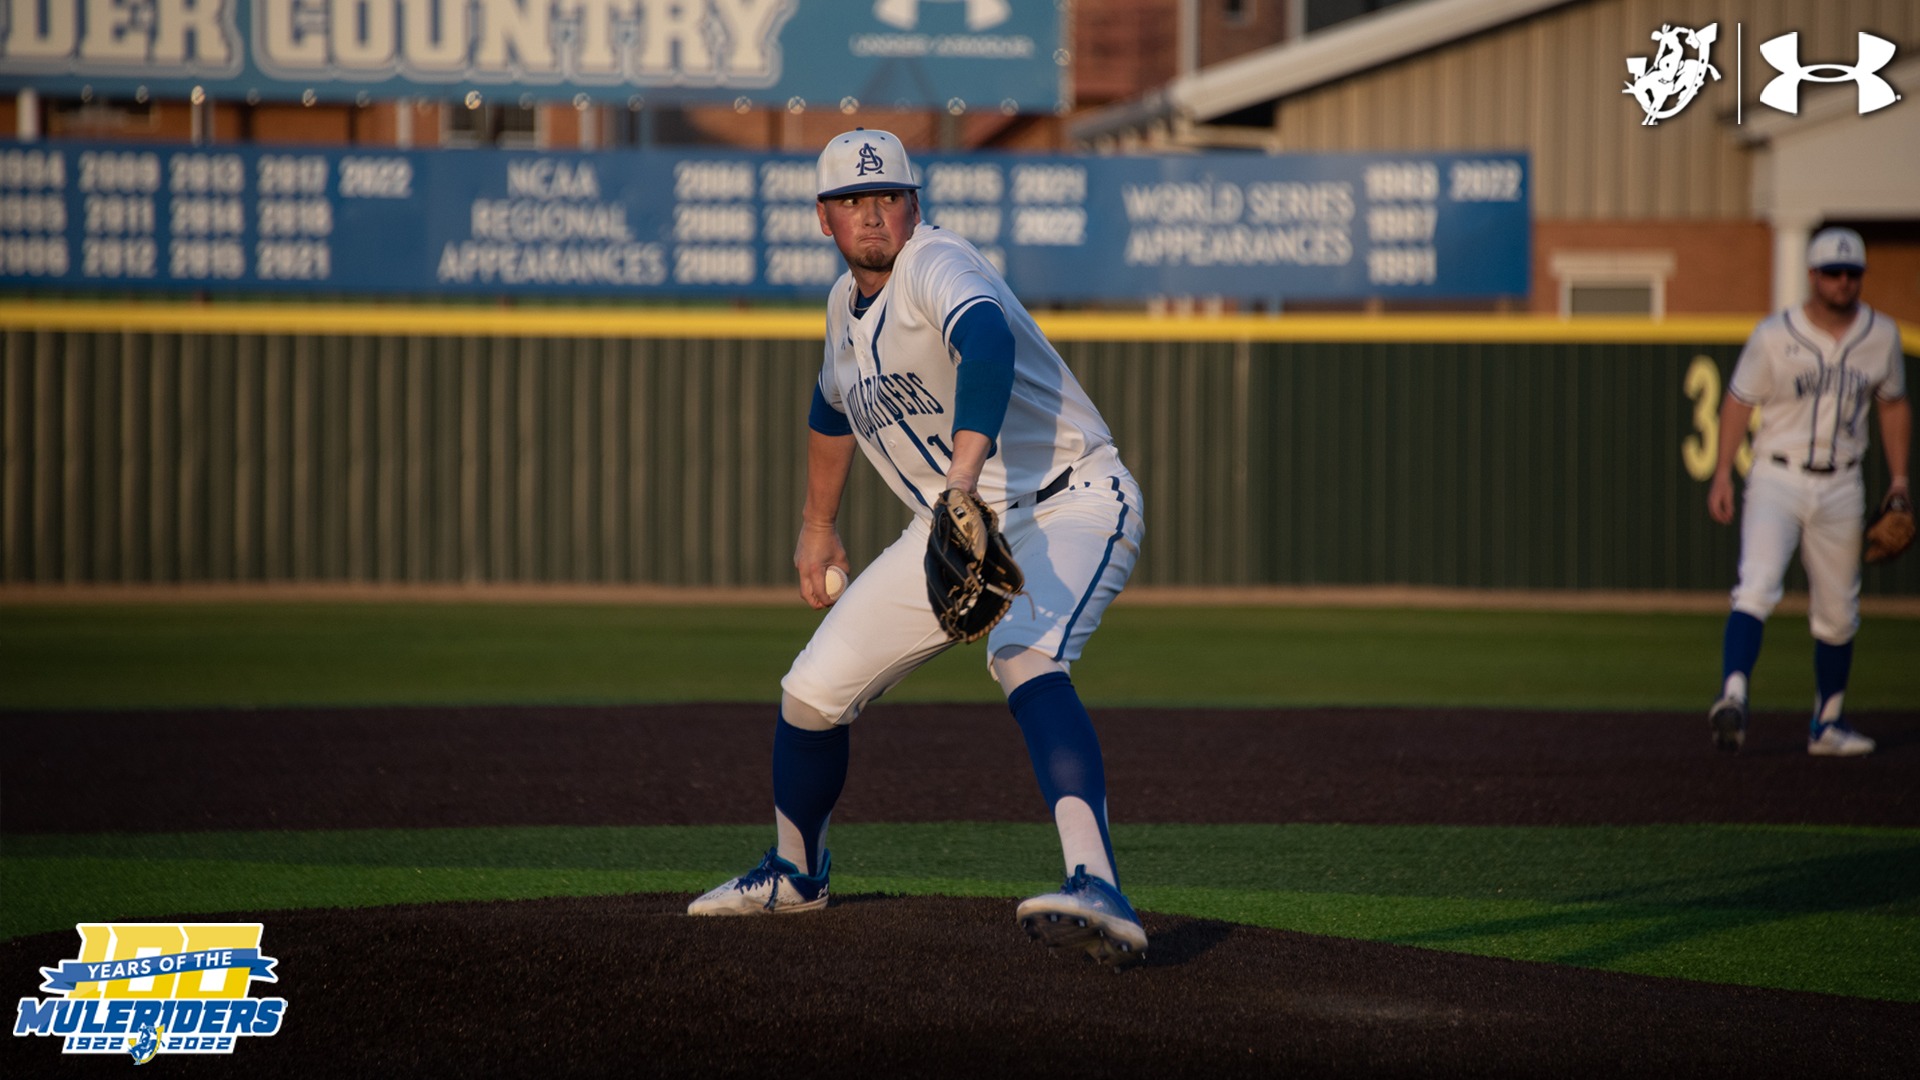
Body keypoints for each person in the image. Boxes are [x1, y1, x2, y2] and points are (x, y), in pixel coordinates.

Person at [686, 130, 1150, 964]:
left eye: (889, 197)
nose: (874, 213)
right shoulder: (840, 308)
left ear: (915, 207)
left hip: (1070, 500)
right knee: (810, 695)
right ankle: (797, 873)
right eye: (855, 202)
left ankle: (1096, 883)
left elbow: (989, 342)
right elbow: (831, 409)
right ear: (824, 219)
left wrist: (964, 481)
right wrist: (818, 526)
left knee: (1022, 654)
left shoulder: (938, 266)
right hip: (946, 523)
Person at [1706, 227, 1909, 756]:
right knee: (1757, 585)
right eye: (1834, 272)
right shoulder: (1775, 334)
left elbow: (1893, 403)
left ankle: (1828, 723)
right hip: (1777, 475)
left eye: (1852, 273)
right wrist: (1724, 471)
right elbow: (1738, 401)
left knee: (1839, 611)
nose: (1844, 282)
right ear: (1813, 275)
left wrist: (1900, 480)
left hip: (1842, 481)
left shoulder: (1882, 335)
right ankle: (1733, 696)